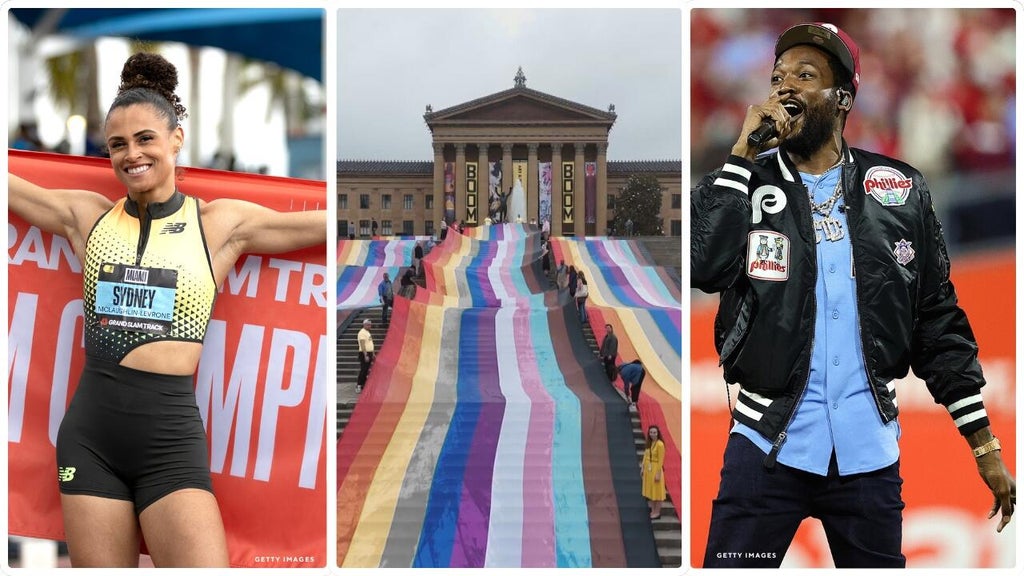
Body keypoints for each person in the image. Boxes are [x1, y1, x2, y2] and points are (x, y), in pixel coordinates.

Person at [690, 22, 1016, 568]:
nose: (785, 87)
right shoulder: (743, 180)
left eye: (805, 74)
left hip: (868, 455)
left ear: (843, 99)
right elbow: (706, 265)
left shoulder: (901, 189)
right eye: (777, 76)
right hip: (766, 443)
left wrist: (983, 445)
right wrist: (742, 154)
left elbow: (937, 322)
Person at [6, 52, 326, 567]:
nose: (131, 154)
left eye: (145, 139)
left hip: (170, 444)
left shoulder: (219, 224)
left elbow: (328, 226)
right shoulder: (87, 217)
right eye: (117, 144)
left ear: (176, 139)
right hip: (91, 439)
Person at [641, 425, 666, 520]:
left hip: (656, 468)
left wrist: (658, 473)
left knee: (658, 492)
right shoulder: (649, 443)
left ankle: (657, 511)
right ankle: (653, 510)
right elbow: (645, 455)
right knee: (651, 491)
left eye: (654, 432)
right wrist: (643, 467)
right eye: (651, 432)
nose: (652, 434)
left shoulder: (660, 444)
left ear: (658, 433)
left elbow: (661, 460)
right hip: (648, 469)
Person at [356, 318, 375, 392]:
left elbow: (370, 343)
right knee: (363, 370)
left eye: (370, 325)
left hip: (369, 352)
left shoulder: (367, 332)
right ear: (364, 325)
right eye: (368, 325)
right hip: (364, 353)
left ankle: (363, 384)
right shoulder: (362, 332)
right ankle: (359, 385)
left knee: (366, 369)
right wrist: (365, 355)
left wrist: (372, 353)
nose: (369, 326)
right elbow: (362, 344)